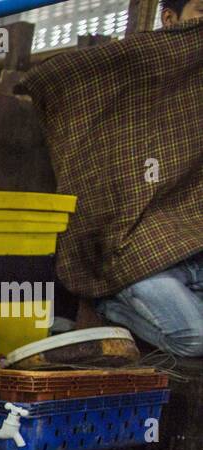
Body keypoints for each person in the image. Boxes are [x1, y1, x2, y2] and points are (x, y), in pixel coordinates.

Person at [91, 0, 203, 356]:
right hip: (144, 253)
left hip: (196, 252)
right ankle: (109, 304)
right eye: (202, 11)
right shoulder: (138, 76)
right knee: (195, 337)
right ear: (169, 18)